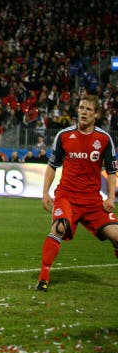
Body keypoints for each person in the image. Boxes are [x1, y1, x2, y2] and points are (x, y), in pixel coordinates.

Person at [36, 95, 118, 292]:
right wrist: (46, 193)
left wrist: (110, 197)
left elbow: (113, 172)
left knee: (117, 235)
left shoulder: (104, 139)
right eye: (81, 108)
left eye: (89, 109)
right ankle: (43, 278)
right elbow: (52, 166)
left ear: (96, 114)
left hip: (92, 200)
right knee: (59, 227)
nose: (84, 112)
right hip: (67, 197)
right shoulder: (63, 136)